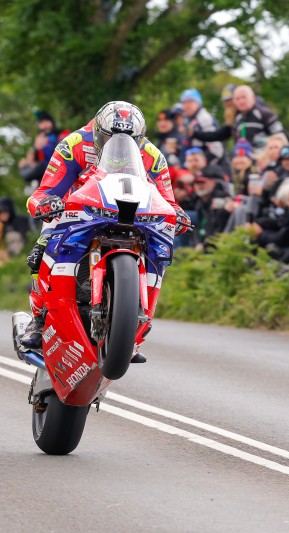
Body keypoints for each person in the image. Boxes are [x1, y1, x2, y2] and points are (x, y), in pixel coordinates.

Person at [19, 101, 190, 349]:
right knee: (41, 250)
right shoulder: (74, 145)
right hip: (77, 211)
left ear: (140, 139)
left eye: (130, 140)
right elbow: (45, 191)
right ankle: (39, 317)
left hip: (133, 214)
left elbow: (168, 202)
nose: (118, 145)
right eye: (109, 138)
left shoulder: (153, 156)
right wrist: (45, 204)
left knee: (160, 250)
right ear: (97, 131)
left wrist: (178, 215)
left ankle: (138, 323)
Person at [180, 89, 225, 165]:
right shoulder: (187, 119)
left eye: (191, 101)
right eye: (184, 102)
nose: (187, 105)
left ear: (198, 103)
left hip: (210, 168)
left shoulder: (204, 119)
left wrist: (200, 166)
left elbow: (216, 151)